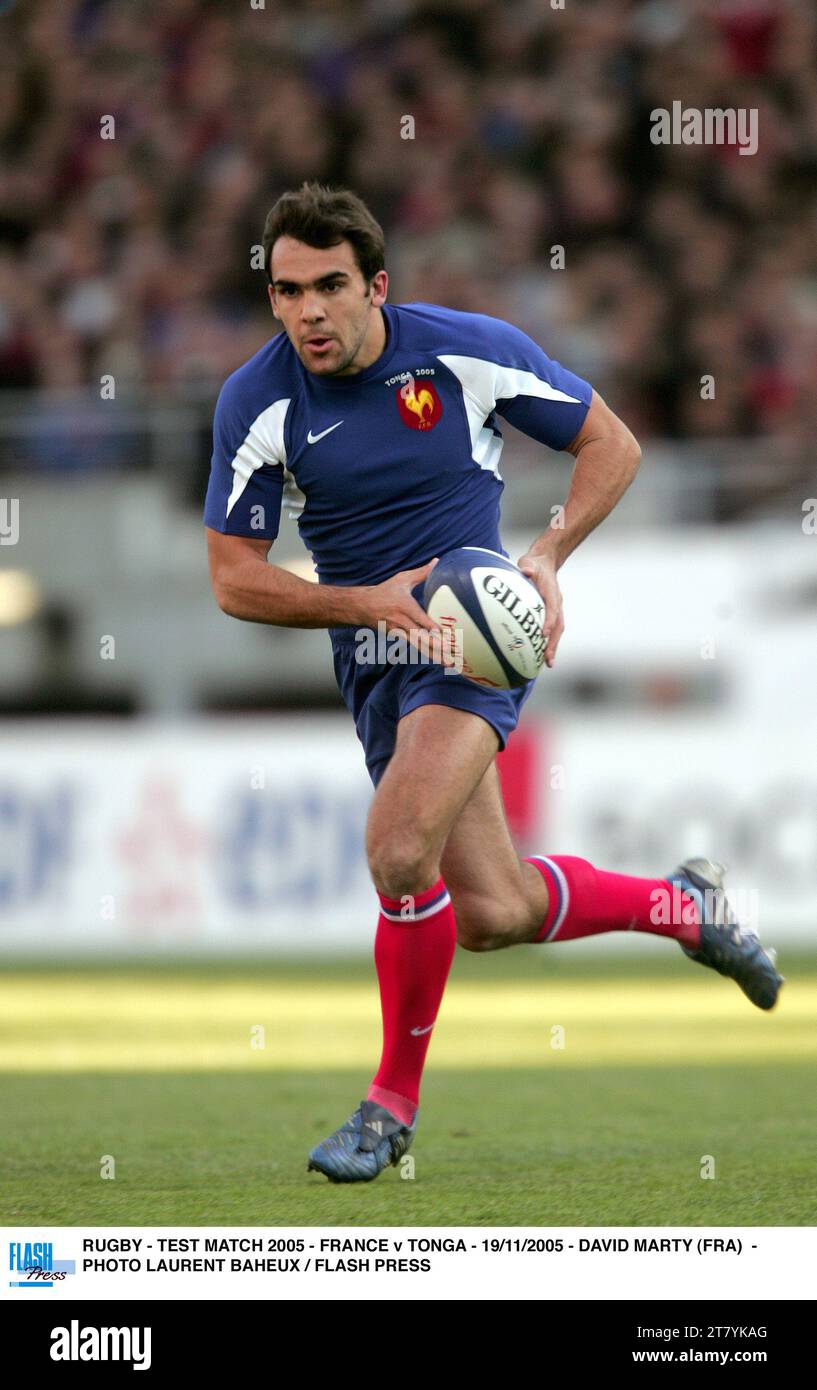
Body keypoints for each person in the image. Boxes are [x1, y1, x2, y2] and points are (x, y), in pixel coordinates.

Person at [204, 182, 783, 1184]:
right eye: (287, 290)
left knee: (395, 849)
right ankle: (684, 908)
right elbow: (233, 579)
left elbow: (613, 443)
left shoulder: (461, 350)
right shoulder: (255, 403)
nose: (307, 311)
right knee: (493, 911)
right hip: (375, 655)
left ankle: (387, 1107)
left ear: (375, 285)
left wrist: (549, 557)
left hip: (475, 641)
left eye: (330, 286)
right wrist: (367, 604)